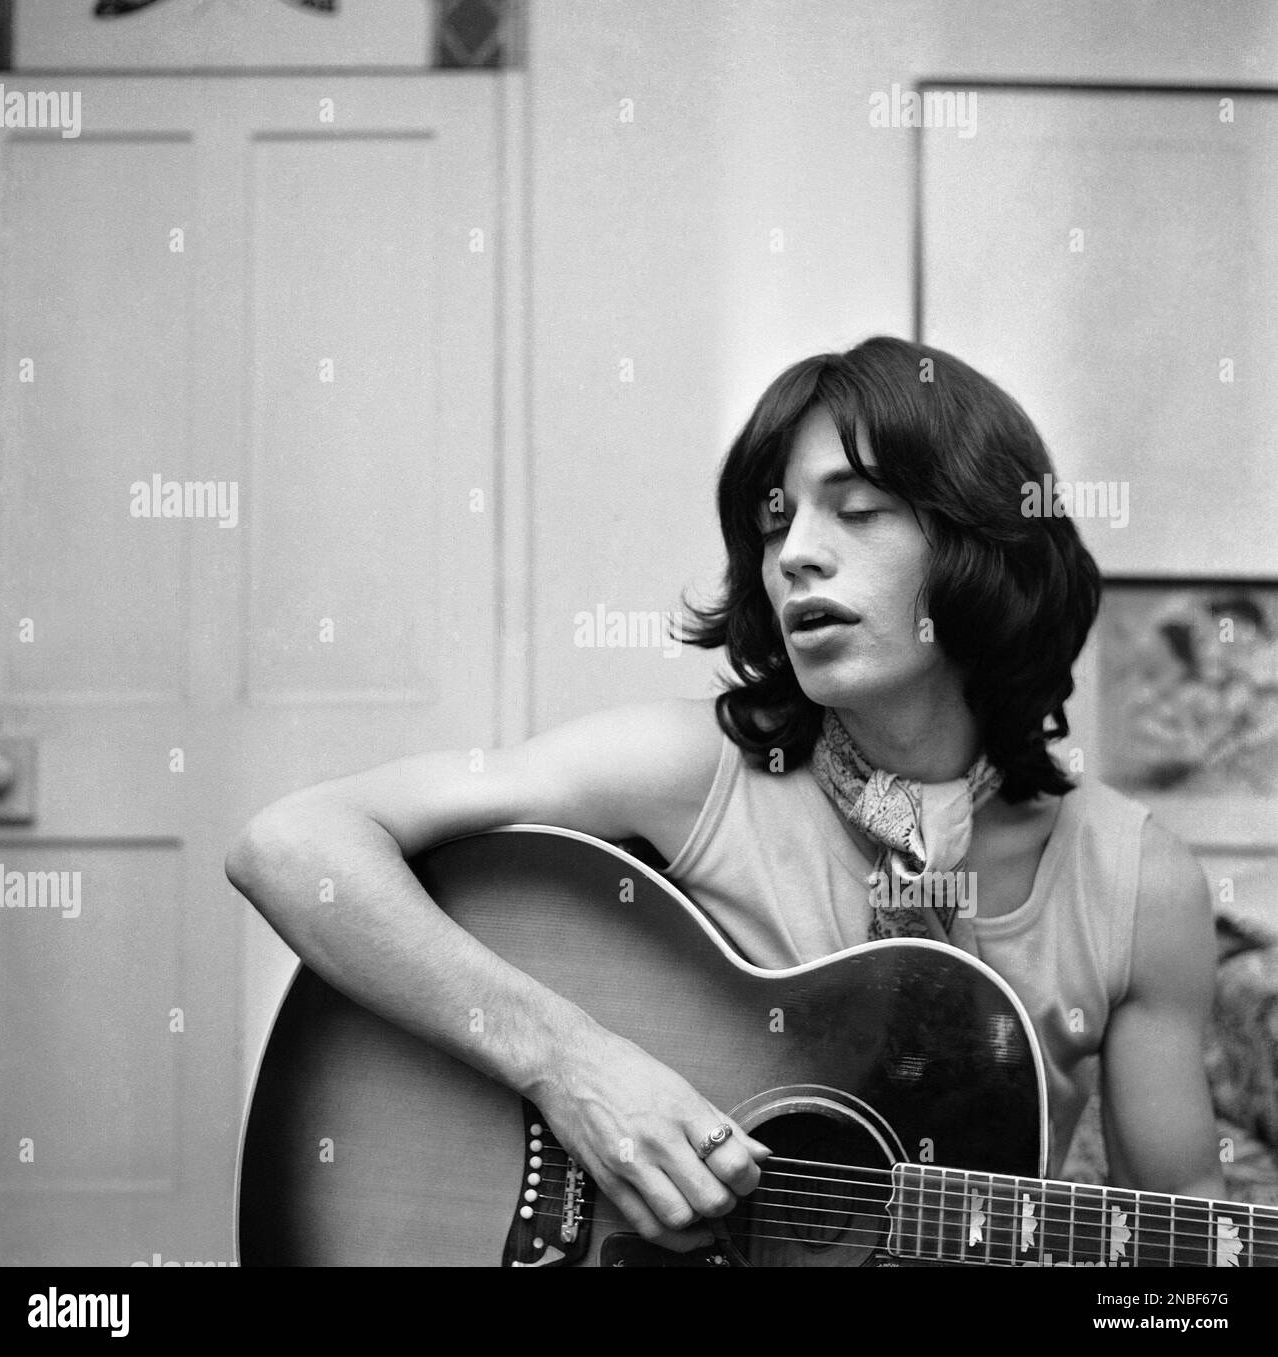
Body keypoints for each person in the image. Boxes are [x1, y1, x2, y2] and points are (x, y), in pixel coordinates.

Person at [225, 336, 1224, 1256]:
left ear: (981, 539)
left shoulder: (1137, 888)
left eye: (858, 508)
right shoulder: (691, 770)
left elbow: (1178, 1248)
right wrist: (572, 1067)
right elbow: (294, 844)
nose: (794, 553)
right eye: (774, 521)